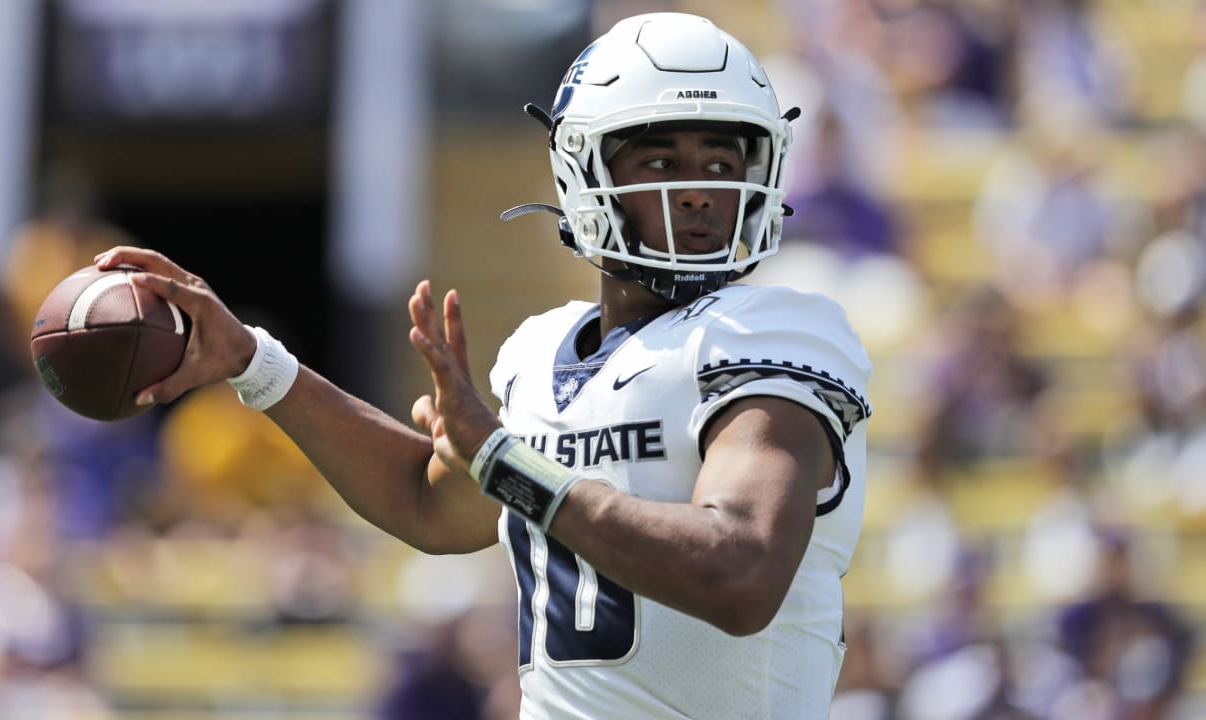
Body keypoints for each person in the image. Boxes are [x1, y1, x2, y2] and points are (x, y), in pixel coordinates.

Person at [94, 13, 873, 719]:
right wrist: (252, 361)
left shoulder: (776, 331)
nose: (697, 189)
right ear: (584, 175)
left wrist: (505, 463)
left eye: (719, 158)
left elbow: (737, 574)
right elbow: (431, 507)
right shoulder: (540, 353)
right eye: (659, 156)